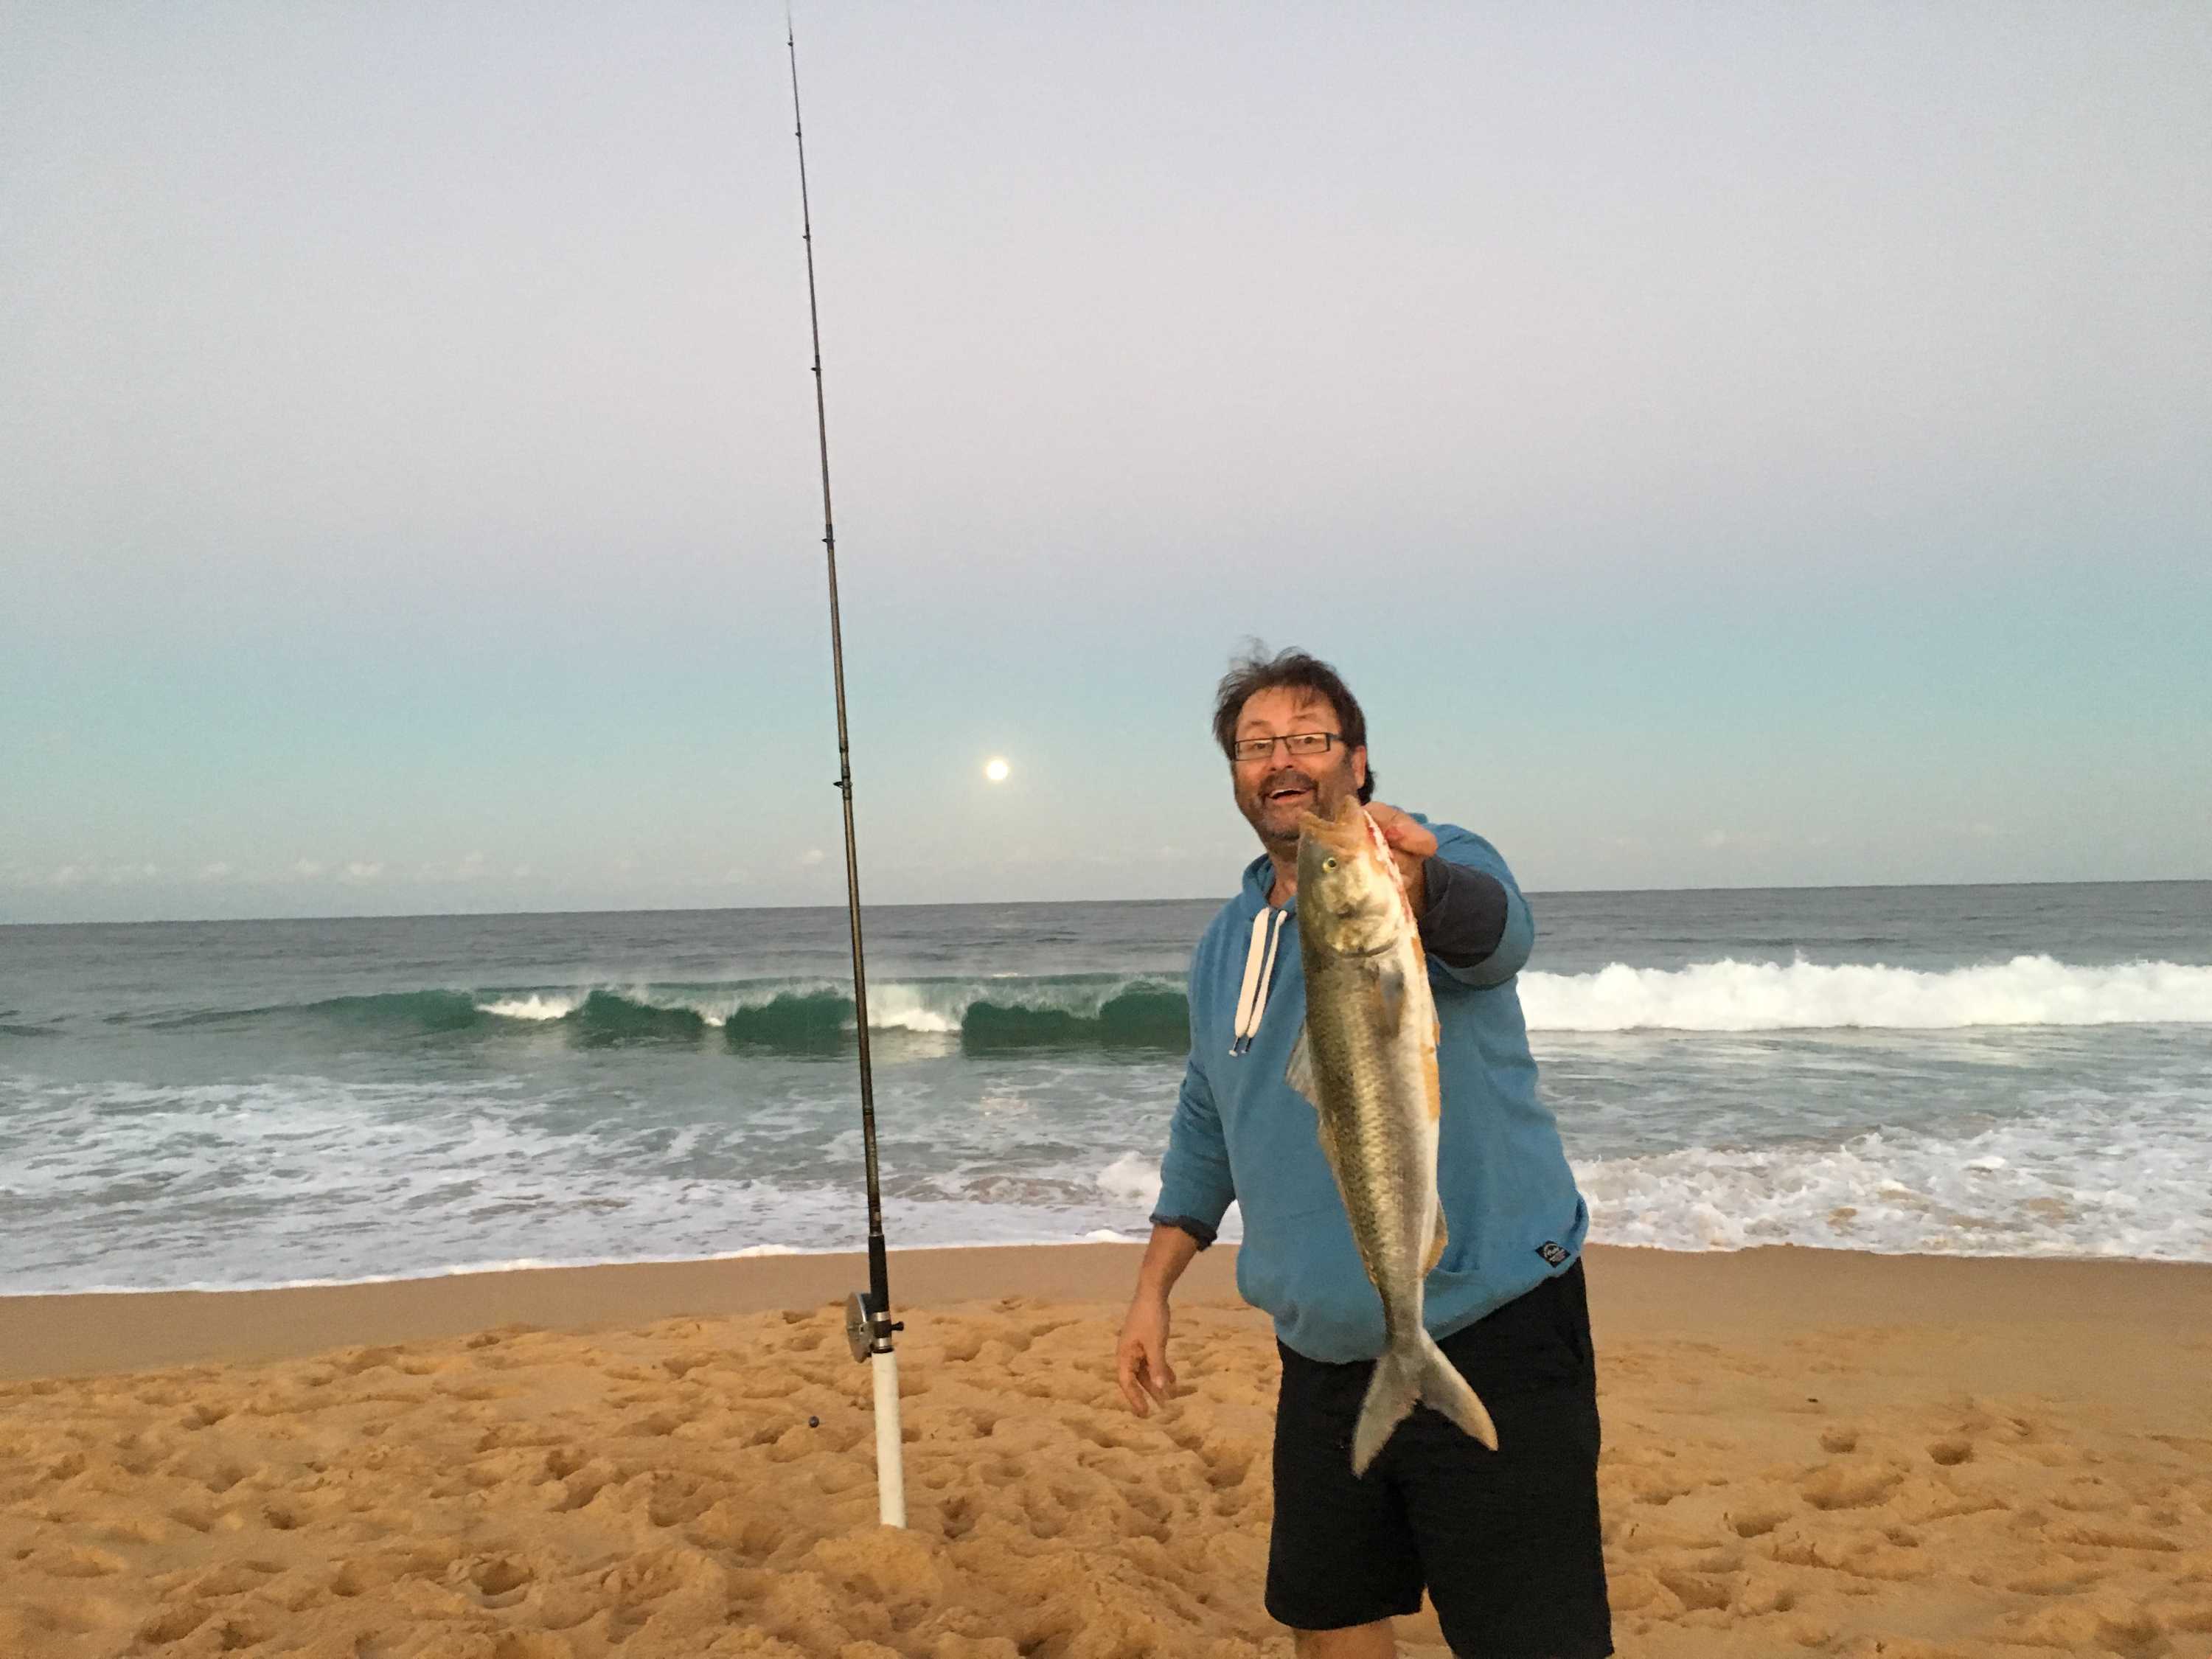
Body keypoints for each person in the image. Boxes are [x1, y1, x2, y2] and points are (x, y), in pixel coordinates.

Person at [1116, 647, 1612, 1659]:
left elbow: (1498, 935)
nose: (1281, 759)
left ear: (1359, 758)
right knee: (1331, 1616)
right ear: (1236, 776)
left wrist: (1418, 880)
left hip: (1494, 1318)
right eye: (1256, 745)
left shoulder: (1420, 862)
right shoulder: (1223, 942)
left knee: (1530, 1637)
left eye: (1308, 737)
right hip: (1324, 1346)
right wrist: (1153, 1287)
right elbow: (1208, 1118)